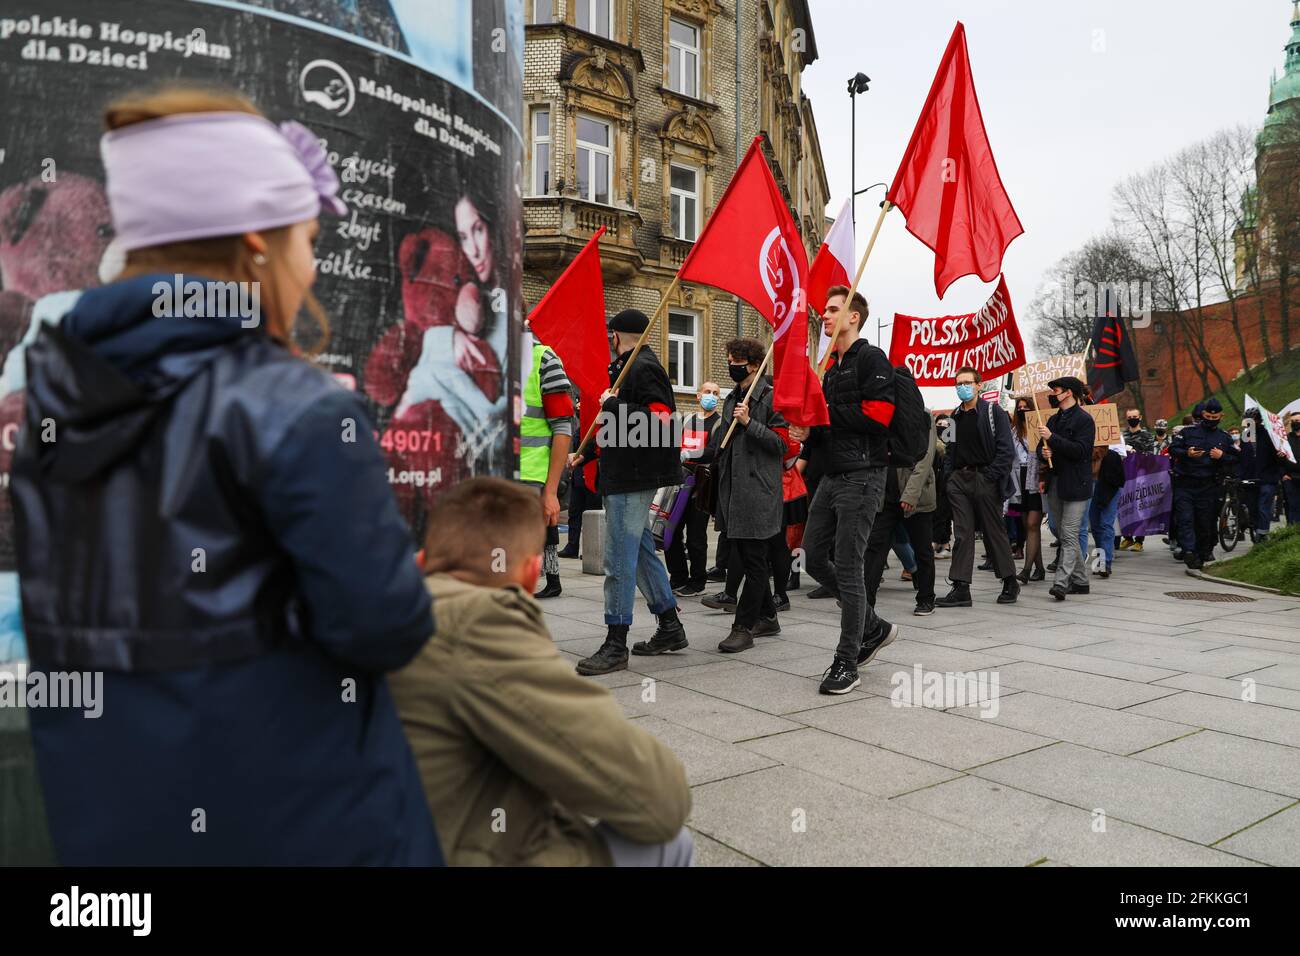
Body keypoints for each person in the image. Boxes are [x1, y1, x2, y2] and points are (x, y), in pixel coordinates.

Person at [10, 87, 440, 865]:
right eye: (306, 235)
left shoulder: (57, 395)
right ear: (255, 242)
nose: (311, 261)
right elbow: (385, 624)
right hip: (297, 817)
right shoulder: (296, 407)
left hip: (113, 820)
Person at [390, 478, 692, 866]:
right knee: (669, 842)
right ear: (532, 574)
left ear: (422, 558)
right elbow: (661, 800)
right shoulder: (479, 624)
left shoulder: (375, 610)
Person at [787, 286, 897, 695]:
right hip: (831, 476)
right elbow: (823, 429)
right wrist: (805, 436)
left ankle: (847, 659)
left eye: (833, 310)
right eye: (824, 311)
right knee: (814, 557)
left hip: (864, 475)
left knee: (849, 568)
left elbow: (879, 415)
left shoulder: (871, 359)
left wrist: (823, 416)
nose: (825, 317)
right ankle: (871, 624)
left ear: (854, 317)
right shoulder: (829, 369)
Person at [568, 309, 685, 675]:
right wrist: (585, 454)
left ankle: (615, 643)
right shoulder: (624, 368)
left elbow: (664, 420)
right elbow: (615, 427)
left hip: (634, 477)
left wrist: (615, 404)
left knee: (618, 557)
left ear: (615, 335)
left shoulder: (643, 366)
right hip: (623, 472)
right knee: (640, 553)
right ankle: (670, 625)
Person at [713, 339, 798, 653]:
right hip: (734, 491)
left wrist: (750, 423)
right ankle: (768, 617)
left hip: (759, 490)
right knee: (747, 556)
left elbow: (781, 445)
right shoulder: (732, 398)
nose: (731, 364)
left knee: (755, 560)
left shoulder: (771, 397)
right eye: (729, 359)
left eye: (735, 359)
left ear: (752, 363)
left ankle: (743, 626)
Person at [936, 367, 1020, 608]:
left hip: (985, 478)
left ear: (978, 385)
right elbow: (950, 450)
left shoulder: (994, 413)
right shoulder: (953, 417)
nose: (962, 387)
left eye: (967, 382)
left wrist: (990, 477)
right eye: (958, 383)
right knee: (962, 533)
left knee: (994, 532)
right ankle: (961, 587)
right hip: (959, 481)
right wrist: (950, 478)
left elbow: (1006, 451)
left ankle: (1009, 581)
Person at [864, 409, 939, 615]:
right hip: (884, 494)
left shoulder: (922, 414)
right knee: (874, 547)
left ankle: (926, 598)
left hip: (915, 494)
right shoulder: (879, 409)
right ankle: (865, 600)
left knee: (922, 548)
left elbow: (926, 456)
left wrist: (911, 494)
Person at [520, 322, 574, 599]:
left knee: (547, 535)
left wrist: (550, 490)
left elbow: (563, 426)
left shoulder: (543, 358)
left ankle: (552, 578)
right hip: (491, 477)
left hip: (533, 477)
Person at [1038, 376, 1096, 600]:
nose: (1053, 394)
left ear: (1069, 392)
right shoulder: (1053, 420)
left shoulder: (1084, 420)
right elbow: (1041, 449)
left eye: (1057, 390)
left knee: (1070, 533)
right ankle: (1081, 581)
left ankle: (1061, 582)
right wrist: (1043, 453)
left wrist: (1052, 439)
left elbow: (1081, 451)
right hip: (1056, 483)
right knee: (1062, 533)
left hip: (1077, 485)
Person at [1169, 398, 1238, 570]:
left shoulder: (1224, 437)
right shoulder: (1188, 433)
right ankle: (1189, 551)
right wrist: (1187, 453)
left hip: (1208, 486)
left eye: (1215, 418)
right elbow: (1173, 449)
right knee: (1185, 519)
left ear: (1221, 416)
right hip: (1185, 483)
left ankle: (1201, 552)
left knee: (1204, 522)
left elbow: (1237, 459)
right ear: (1203, 415)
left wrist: (1222, 456)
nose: (1211, 420)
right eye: (1208, 416)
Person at [666, 381, 721, 595]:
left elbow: (714, 451)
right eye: (708, 392)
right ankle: (678, 577)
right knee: (672, 532)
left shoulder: (719, 423)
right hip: (679, 484)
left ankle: (698, 581)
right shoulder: (686, 420)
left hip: (702, 487)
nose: (712, 396)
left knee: (696, 537)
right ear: (698, 396)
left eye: (715, 393)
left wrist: (690, 454)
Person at [1011, 397, 1046, 582]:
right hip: (1019, 479)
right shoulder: (1013, 431)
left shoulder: (1040, 428)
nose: (1022, 410)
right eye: (1020, 407)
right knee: (1028, 526)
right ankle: (1039, 569)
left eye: (1026, 407)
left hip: (1035, 477)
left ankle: (1025, 570)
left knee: (1033, 524)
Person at [1237, 408, 1285, 541]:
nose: (1249, 423)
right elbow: (1243, 457)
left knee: (1264, 505)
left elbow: (1279, 455)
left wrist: (1280, 456)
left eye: (1252, 420)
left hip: (1267, 477)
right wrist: (1240, 475)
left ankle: (1263, 533)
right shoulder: (1246, 434)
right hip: (1250, 478)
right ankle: (1257, 530)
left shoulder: (1269, 434)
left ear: (1259, 420)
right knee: (1253, 507)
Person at [1118, 409, 1155, 552]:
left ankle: (1139, 540)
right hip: (1125, 475)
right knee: (1125, 506)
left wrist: (1135, 453)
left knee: (1140, 507)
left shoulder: (1146, 435)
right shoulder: (1123, 435)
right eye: (1129, 417)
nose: (1132, 419)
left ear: (1140, 417)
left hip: (1141, 475)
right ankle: (1127, 538)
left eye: (1134, 417)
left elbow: (1150, 454)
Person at [1087, 446, 1126, 577]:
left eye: (1100, 449)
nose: (1097, 451)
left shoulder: (1112, 456)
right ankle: (1101, 558)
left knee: (1105, 524)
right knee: (1096, 526)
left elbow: (1119, 480)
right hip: (1091, 490)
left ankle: (1106, 563)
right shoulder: (1085, 455)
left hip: (1110, 490)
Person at [931, 413, 953, 559]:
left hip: (946, 484)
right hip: (933, 483)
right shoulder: (931, 442)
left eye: (946, 426)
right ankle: (938, 542)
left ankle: (945, 544)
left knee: (943, 515)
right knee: (936, 514)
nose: (942, 428)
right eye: (939, 425)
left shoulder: (951, 445)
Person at [1284, 412, 1300, 526]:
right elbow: (1279, 459)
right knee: (1293, 505)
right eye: (1293, 421)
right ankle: (1293, 531)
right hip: (1290, 478)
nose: (1296, 423)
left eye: (1298, 420)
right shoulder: (1286, 439)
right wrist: (1283, 474)